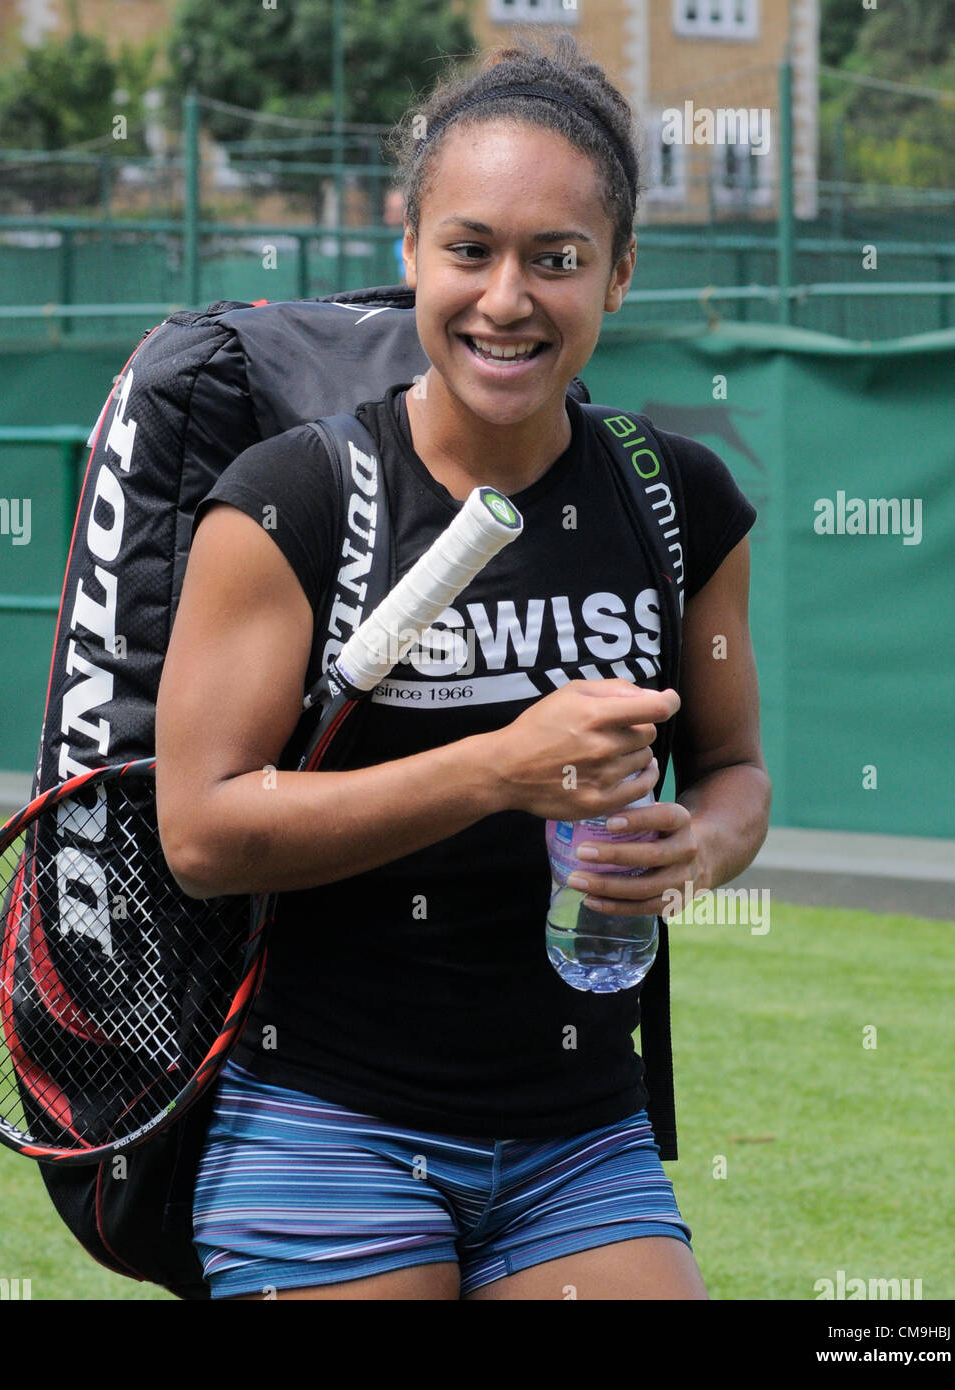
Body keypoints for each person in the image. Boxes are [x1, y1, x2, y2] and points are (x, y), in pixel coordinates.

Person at [156, 30, 770, 1301]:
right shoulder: (290, 502)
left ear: (618, 273)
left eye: (556, 259)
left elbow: (736, 771)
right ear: (409, 252)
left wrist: (698, 846)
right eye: (469, 249)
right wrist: (497, 768)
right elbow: (204, 832)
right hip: (322, 1116)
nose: (506, 298)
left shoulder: (678, 500)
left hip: (579, 1137)